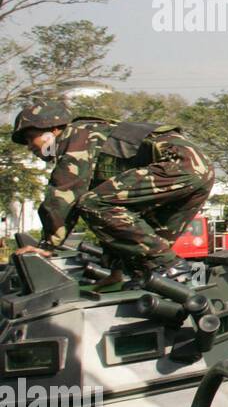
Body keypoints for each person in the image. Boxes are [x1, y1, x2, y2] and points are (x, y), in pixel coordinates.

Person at [10, 100, 215, 283]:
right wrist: (115, 272)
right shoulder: (92, 139)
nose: (29, 147)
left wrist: (46, 247)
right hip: (198, 171)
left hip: (178, 165)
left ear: (52, 130)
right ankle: (164, 279)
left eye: (30, 138)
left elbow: (63, 197)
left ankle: (174, 269)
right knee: (144, 239)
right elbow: (117, 228)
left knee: (92, 203)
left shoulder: (76, 135)